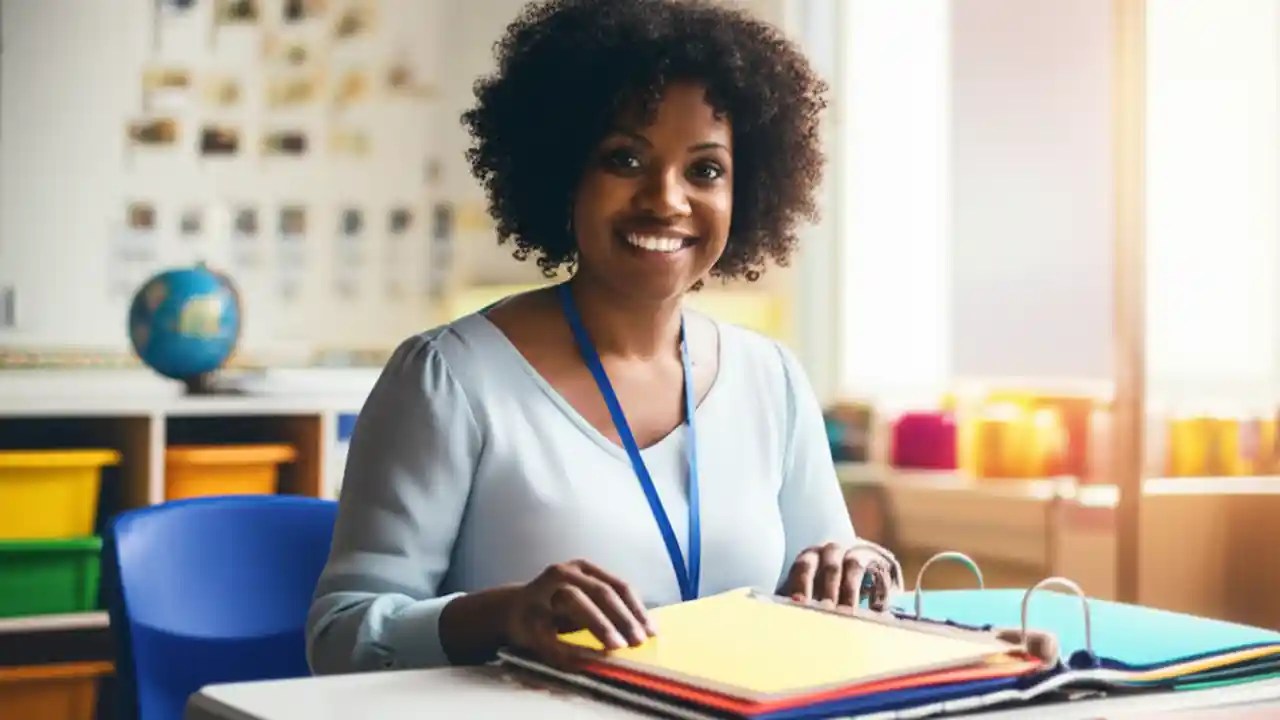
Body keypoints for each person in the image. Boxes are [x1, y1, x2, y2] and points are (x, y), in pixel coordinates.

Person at [305, 0, 904, 676]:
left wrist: (861, 569)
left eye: (705, 170)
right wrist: (504, 615)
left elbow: (836, 588)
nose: (667, 198)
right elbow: (341, 635)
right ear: (564, 173)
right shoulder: (450, 378)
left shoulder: (772, 378)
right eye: (624, 159)